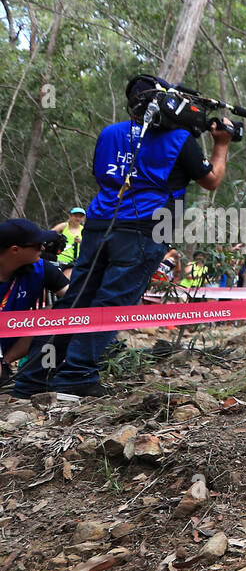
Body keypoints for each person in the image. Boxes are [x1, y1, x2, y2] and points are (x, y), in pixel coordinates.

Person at [11, 75, 233, 398]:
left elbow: (102, 172)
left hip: (100, 222)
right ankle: (76, 374)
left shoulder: (109, 133)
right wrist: (222, 144)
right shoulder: (178, 138)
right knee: (112, 302)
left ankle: (35, 376)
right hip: (143, 228)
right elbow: (210, 180)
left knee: (77, 298)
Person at [0, 220, 69, 387]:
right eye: (38, 245)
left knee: (57, 313)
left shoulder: (39, 268)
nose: (43, 249)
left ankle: (15, 366)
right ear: (15, 250)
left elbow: (74, 298)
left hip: (10, 340)